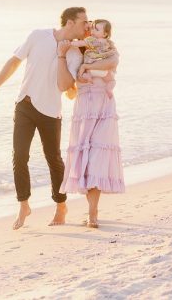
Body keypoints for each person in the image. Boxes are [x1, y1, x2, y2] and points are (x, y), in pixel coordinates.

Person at [0, 7, 88, 230]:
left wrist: (62, 54)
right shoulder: (37, 35)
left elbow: (64, 86)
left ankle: (61, 206)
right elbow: (14, 61)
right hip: (25, 104)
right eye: (83, 22)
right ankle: (23, 204)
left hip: (50, 111)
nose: (86, 26)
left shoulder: (75, 54)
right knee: (19, 156)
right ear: (69, 22)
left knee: (53, 159)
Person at [60, 19, 124, 228]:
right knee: (85, 158)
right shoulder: (78, 50)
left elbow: (112, 63)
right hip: (84, 105)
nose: (90, 28)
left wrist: (88, 65)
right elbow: (69, 83)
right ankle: (90, 212)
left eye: (94, 26)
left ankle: (93, 213)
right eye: (88, 25)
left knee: (97, 154)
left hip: (103, 106)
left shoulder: (107, 47)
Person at [71, 19, 116, 98]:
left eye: (96, 29)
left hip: (91, 69)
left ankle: (87, 76)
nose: (93, 31)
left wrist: (70, 43)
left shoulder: (92, 40)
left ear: (105, 34)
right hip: (103, 70)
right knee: (111, 80)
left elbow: (80, 43)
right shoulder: (108, 43)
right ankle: (109, 89)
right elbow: (113, 57)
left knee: (81, 73)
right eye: (92, 28)